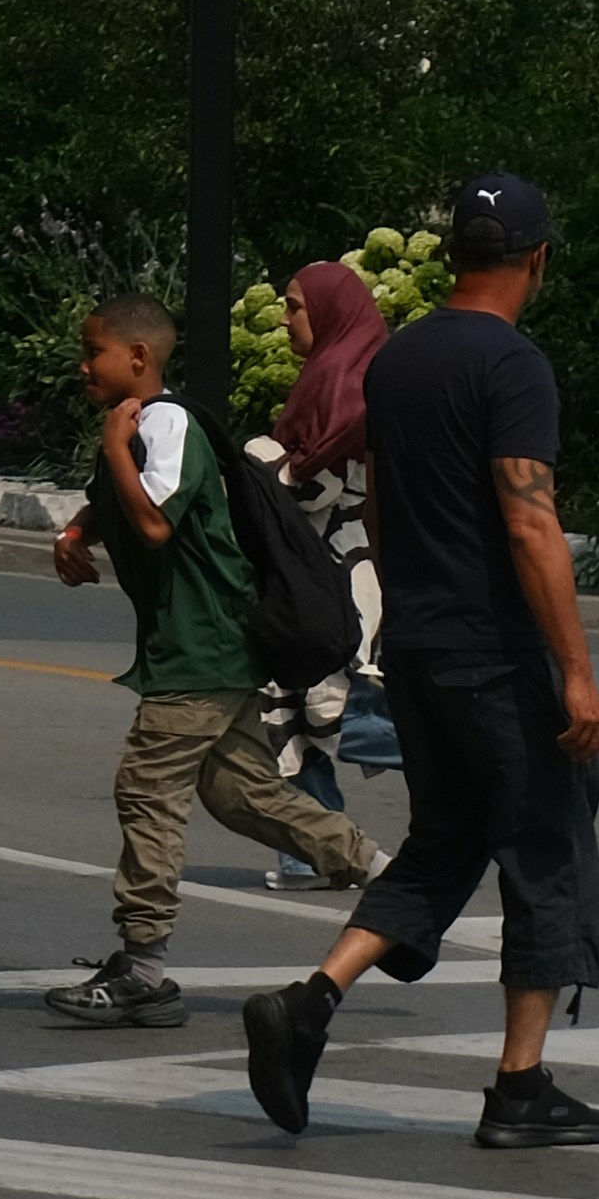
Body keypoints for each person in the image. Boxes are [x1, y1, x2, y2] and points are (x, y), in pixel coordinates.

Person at [245, 176, 599, 1158]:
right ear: (535, 259)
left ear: (454, 252)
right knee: (544, 846)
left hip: (415, 645)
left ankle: (309, 1002)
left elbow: (375, 508)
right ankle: (517, 1087)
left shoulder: (396, 359)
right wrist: (573, 673)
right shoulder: (512, 365)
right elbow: (528, 518)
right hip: (493, 653)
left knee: (446, 840)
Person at [44, 290, 377, 1031]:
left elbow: (157, 521)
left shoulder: (164, 424)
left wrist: (109, 449)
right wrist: (78, 530)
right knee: (242, 795)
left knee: (147, 788)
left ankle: (142, 968)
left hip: (202, 646)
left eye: (93, 351)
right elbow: (126, 504)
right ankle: (388, 877)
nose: (83, 365)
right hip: (201, 645)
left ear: (139, 357)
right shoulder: (147, 427)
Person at [256, 253, 395, 806]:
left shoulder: (345, 386)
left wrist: (260, 464)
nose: (285, 320)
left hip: (339, 570)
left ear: (328, 312)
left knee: (321, 706)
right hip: (322, 568)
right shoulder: (333, 376)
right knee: (287, 700)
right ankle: (312, 847)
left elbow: (314, 485)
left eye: (294, 307)